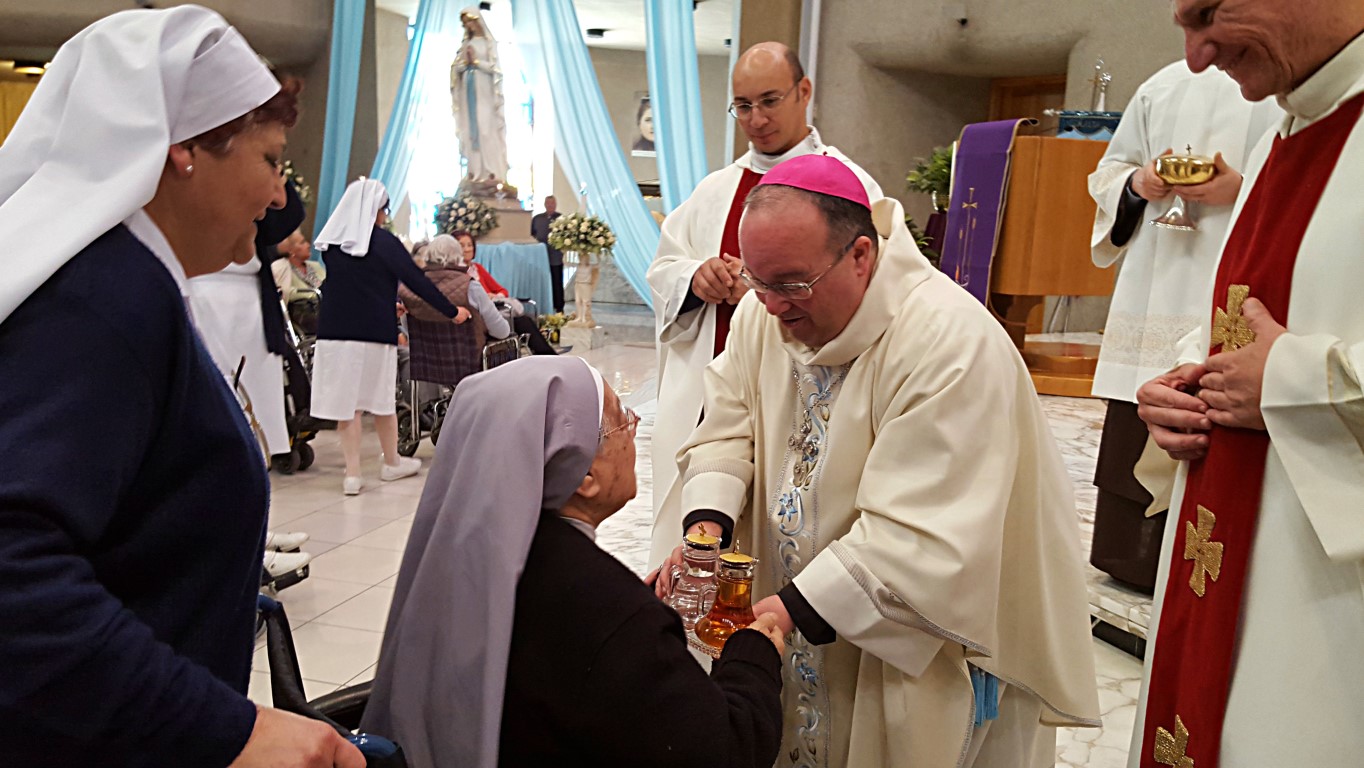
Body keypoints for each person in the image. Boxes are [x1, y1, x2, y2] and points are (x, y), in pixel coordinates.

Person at [0, 7, 362, 767]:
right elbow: (14, 570)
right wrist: (226, 727)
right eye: (270, 160)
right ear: (184, 153)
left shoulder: (118, 284)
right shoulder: (101, 301)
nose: (275, 198)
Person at [654, 155, 1101, 767]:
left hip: (902, 648)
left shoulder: (948, 342)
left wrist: (787, 610)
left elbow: (923, 534)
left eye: (790, 285)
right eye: (758, 282)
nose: (773, 306)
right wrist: (706, 530)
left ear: (861, 255)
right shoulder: (768, 308)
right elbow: (728, 422)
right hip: (790, 621)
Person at [1131, 2, 1364, 765]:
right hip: (1227, 533)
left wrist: (1296, 380)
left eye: (1207, 14)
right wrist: (1192, 381)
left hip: (1323, 594)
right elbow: (1253, 316)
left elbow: (1285, 355)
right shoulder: (1280, 133)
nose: (1196, 57)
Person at [362, 356, 786, 768]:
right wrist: (752, 653)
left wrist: (630, 616)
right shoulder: (606, 608)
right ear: (585, 477)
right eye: (624, 419)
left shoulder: (464, 556)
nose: (635, 428)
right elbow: (724, 750)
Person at [646, 41, 882, 570]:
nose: (756, 119)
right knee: (705, 499)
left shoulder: (848, 187)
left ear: (804, 92)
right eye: (743, 105)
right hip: (715, 385)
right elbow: (663, 270)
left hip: (798, 387)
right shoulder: (715, 190)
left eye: (769, 100)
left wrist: (759, 291)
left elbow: (866, 290)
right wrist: (695, 278)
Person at [1086, 62, 1281, 593]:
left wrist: (1242, 190)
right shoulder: (1162, 84)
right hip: (1157, 276)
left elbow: (1298, 187)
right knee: (1141, 407)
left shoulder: (1280, 83)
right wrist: (1138, 182)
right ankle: (1130, 558)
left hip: (1236, 272)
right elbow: (1110, 171)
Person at [312, 178, 471, 496]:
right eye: (383, 209)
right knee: (381, 401)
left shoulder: (332, 244)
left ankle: (352, 474)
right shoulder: (384, 242)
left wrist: (385, 300)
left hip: (334, 333)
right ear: (375, 210)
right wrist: (451, 312)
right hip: (374, 333)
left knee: (349, 406)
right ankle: (392, 462)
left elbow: (353, 286)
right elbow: (418, 281)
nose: (385, 215)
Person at [399, 234, 559, 358]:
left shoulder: (410, 287)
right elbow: (501, 332)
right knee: (508, 334)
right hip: (467, 358)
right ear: (457, 256)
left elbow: (407, 327)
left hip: (427, 359)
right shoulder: (470, 286)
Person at [451, 6, 509, 185]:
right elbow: (456, 68)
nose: (469, 25)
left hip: (485, 93)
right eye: (465, 23)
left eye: (470, 21)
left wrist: (476, 62)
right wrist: (465, 64)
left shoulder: (488, 44)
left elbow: (495, 69)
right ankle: (476, 172)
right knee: (471, 133)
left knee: (486, 130)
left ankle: (492, 171)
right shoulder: (465, 45)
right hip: (468, 94)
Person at [529, 195, 564, 312]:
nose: (550, 205)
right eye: (548, 203)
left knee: (556, 281)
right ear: (545, 204)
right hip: (540, 257)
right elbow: (532, 234)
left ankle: (558, 306)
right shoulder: (537, 218)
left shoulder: (561, 219)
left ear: (556, 205)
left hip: (555, 256)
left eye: (552, 203)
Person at [272, 228, 325, 303]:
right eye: (302, 243)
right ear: (290, 250)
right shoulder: (281, 268)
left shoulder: (316, 265)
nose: (308, 245)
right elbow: (283, 293)